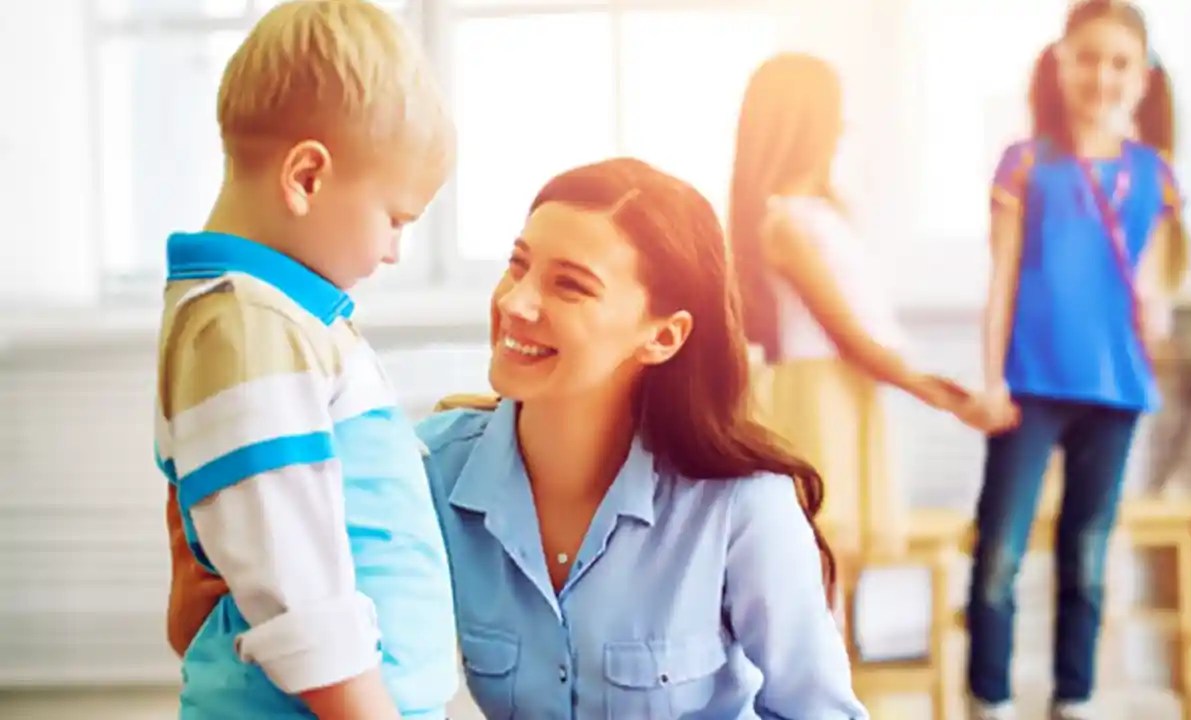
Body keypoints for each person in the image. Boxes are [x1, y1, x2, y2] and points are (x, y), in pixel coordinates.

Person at [418, 157, 870, 719]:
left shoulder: (741, 504)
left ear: (662, 336)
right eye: (518, 265)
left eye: (569, 286)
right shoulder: (429, 468)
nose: (515, 302)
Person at [154, 2, 456, 718]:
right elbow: (299, 591)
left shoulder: (275, 319)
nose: (393, 250)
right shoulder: (248, 326)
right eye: (394, 218)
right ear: (308, 177)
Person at [968, 2, 1187, 718]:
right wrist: (991, 376)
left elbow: (1155, 278)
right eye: (1088, 57)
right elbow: (1000, 280)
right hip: (1028, 385)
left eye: (1120, 62)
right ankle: (990, 700)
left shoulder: (1155, 174)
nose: (1103, 75)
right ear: (1060, 63)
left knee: (1087, 557)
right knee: (999, 552)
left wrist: (1159, 309)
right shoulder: (1025, 163)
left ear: (1144, 77)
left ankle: (1074, 699)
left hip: (1116, 389)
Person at [728, 52, 981, 557]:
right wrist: (943, 395)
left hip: (843, 390)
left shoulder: (822, 213)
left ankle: (840, 640)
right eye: (834, 115)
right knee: (822, 554)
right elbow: (850, 337)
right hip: (818, 396)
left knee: (834, 559)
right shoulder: (786, 224)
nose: (843, 128)